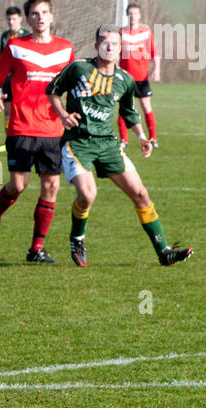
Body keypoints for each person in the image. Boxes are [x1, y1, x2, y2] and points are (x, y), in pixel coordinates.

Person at [46, 26, 193, 267]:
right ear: (96, 46)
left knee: (140, 193)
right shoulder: (79, 68)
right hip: (78, 143)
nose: (110, 46)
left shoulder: (125, 79)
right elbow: (52, 90)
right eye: (104, 42)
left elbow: (129, 112)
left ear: (120, 47)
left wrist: (142, 137)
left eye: (114, 43)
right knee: (87, 194)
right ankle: (78, 236)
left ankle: (163, 251)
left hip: (108, 144)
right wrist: (62, 115)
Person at [0, 0, 73, 263]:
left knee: (51, 187)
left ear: (52, 17)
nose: (40, 17)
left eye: (44, 12)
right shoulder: (15, 46)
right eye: (34, 13)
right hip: (21, 125)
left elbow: (72, 84)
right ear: (28, 19)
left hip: (53, 128)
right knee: (18, 185)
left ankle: (36, 249)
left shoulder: (66, 49)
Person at [119, 3, 159, 148]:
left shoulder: (146, 31)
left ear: (140, 15)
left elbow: (154, 52)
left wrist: (157, 69)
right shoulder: (121, 32)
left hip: (142, 77)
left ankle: (153, 138)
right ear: (126, 15)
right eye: (130, 13)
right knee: (125, 107)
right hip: (125, 77)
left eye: (135, 13)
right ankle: (124, 140)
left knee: (145, 106)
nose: (132, 16)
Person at [0, 6, 29, 153]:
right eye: (9, 19)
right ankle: (8, 141)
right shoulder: (4, 35)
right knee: (7, 109)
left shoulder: (26, 34)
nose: (11, 21)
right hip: (8, 79)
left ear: (20, 19)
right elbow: (3, 58)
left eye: (14, 18)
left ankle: (26, 137)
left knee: (22, 108)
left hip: (21, 79)